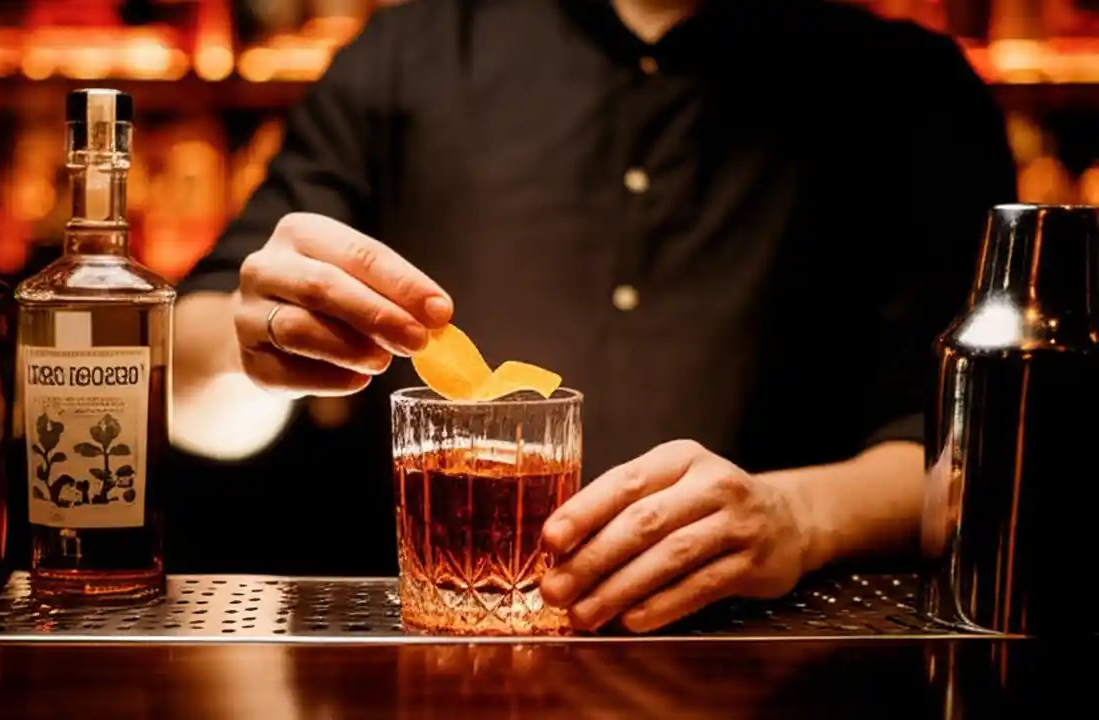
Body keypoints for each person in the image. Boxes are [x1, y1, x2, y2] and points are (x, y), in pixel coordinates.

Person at [172, 0, 1017, 632]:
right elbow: (188, 395)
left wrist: (795, 517)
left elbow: (972, 454)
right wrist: (253, 349)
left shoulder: (913, 88)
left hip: (771, 665)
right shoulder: (408, 52)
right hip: (424, 660)